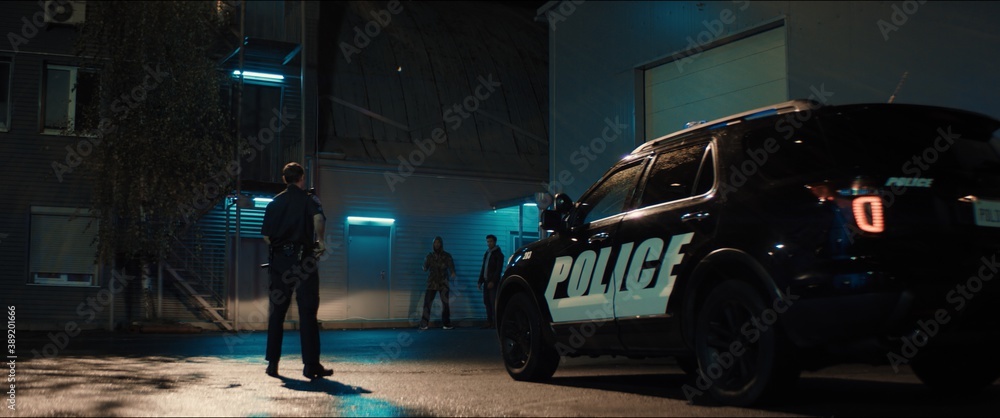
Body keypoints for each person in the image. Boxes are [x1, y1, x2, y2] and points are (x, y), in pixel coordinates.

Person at [260, 162, 333, 380]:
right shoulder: (309, 199)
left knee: (277, 314)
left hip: (279, 264)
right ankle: (310, 365)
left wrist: (281, 249)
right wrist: (320, 241)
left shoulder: (274, 202)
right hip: (304, 262)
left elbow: (266, 236)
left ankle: (272, 364)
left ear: (285, 179)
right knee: (308, 313)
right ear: (301, 178)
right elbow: (318, 219)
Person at [419, 236, 457, 330]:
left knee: (445, 303)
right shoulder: (429, 256)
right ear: (433, 244)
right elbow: (424, 268)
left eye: (438, 242)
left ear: (441, 244)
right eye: (435, 243)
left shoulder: (447, 255)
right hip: (432, 282)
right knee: (427, 303)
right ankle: (424, 324)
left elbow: (451, 266)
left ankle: (446, 324)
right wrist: (424, 264)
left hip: (443, 282)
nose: (437, 244)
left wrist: (452, 272)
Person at [478, 234, 504, 329]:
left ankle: (496, 322)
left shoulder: (498, 254)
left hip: (493, 282)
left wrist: (493, 281)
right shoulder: (487, 253)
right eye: (488, 241)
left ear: (495, 242)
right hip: (486, 281)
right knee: (487, 302)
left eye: (491, 241)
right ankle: (489, 321)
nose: (489, 243)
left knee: (493, 303)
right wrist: (480, 281)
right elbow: (484, 267)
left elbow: (498, 269)